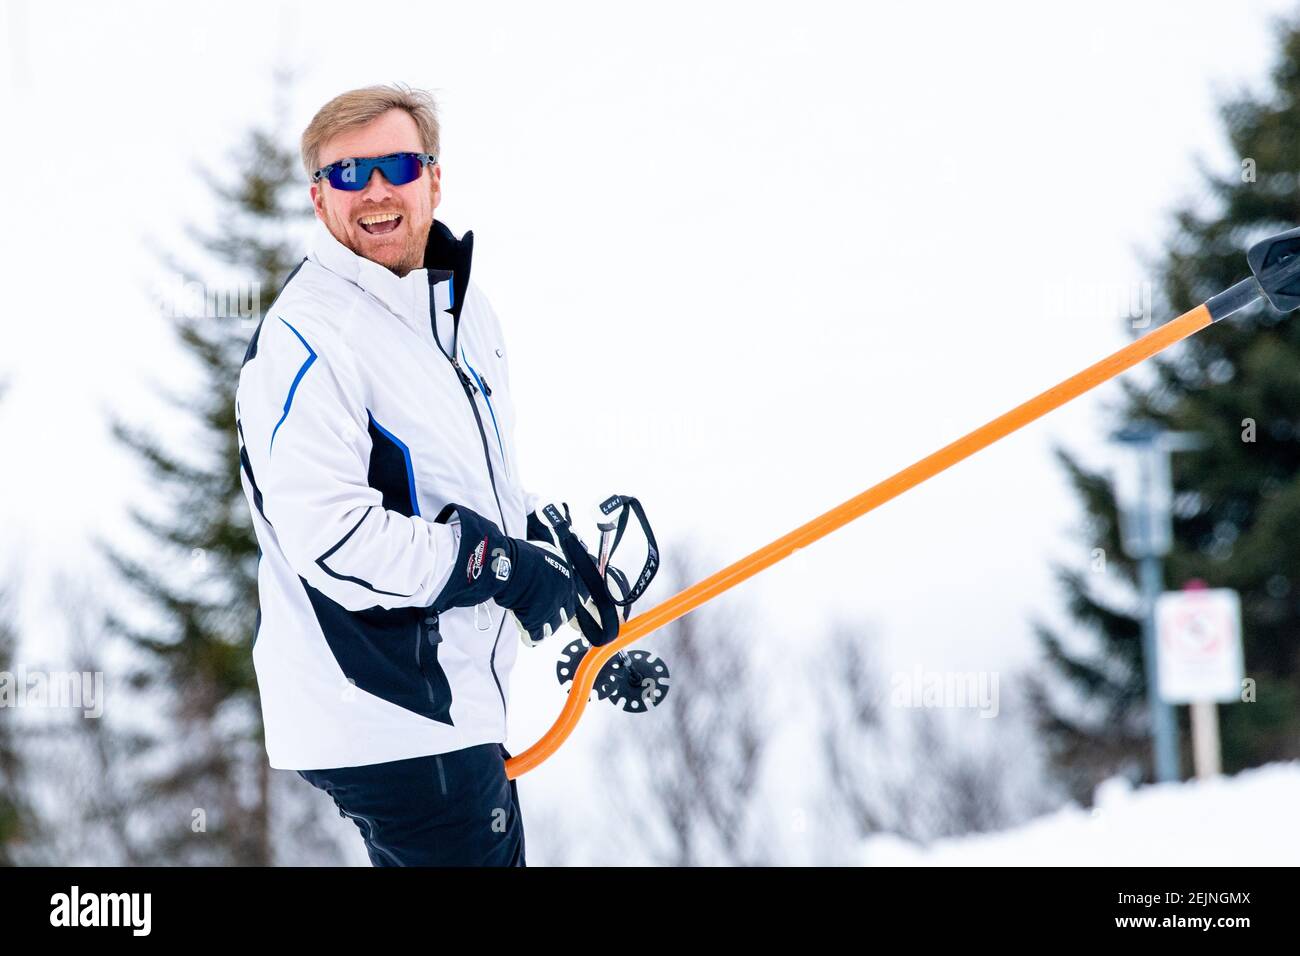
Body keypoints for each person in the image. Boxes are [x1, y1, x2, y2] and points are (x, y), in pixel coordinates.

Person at [235, 82, 584, 866]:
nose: (376, 191)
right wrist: (497, 565)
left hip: (451, 710)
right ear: (320, 200)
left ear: (433, 177)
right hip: (389, 710)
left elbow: (465, 487)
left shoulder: (457, 308)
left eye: (396, 163)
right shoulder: (308, 338)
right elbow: (335, 541)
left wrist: (548, 540)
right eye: (349, 174)